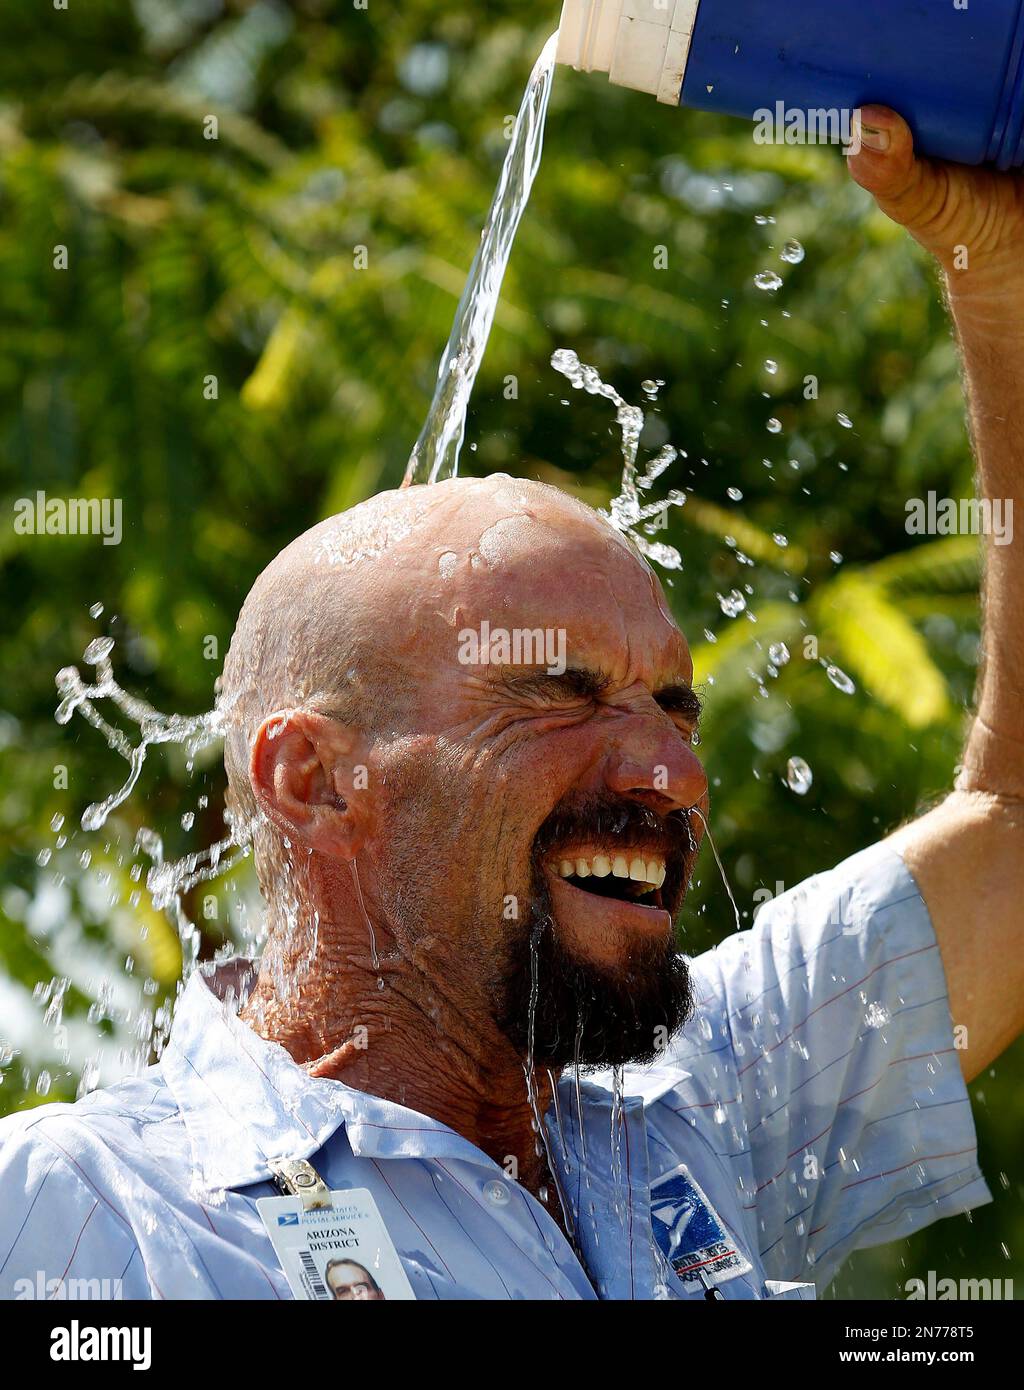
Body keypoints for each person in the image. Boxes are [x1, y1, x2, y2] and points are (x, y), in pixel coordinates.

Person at [0, 107, 1021, 1301]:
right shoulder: (92, 1206)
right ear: (314, 780)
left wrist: (994, 281)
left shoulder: (698, 1113)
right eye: (557, 693)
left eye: (675, 710)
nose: (672, 773)